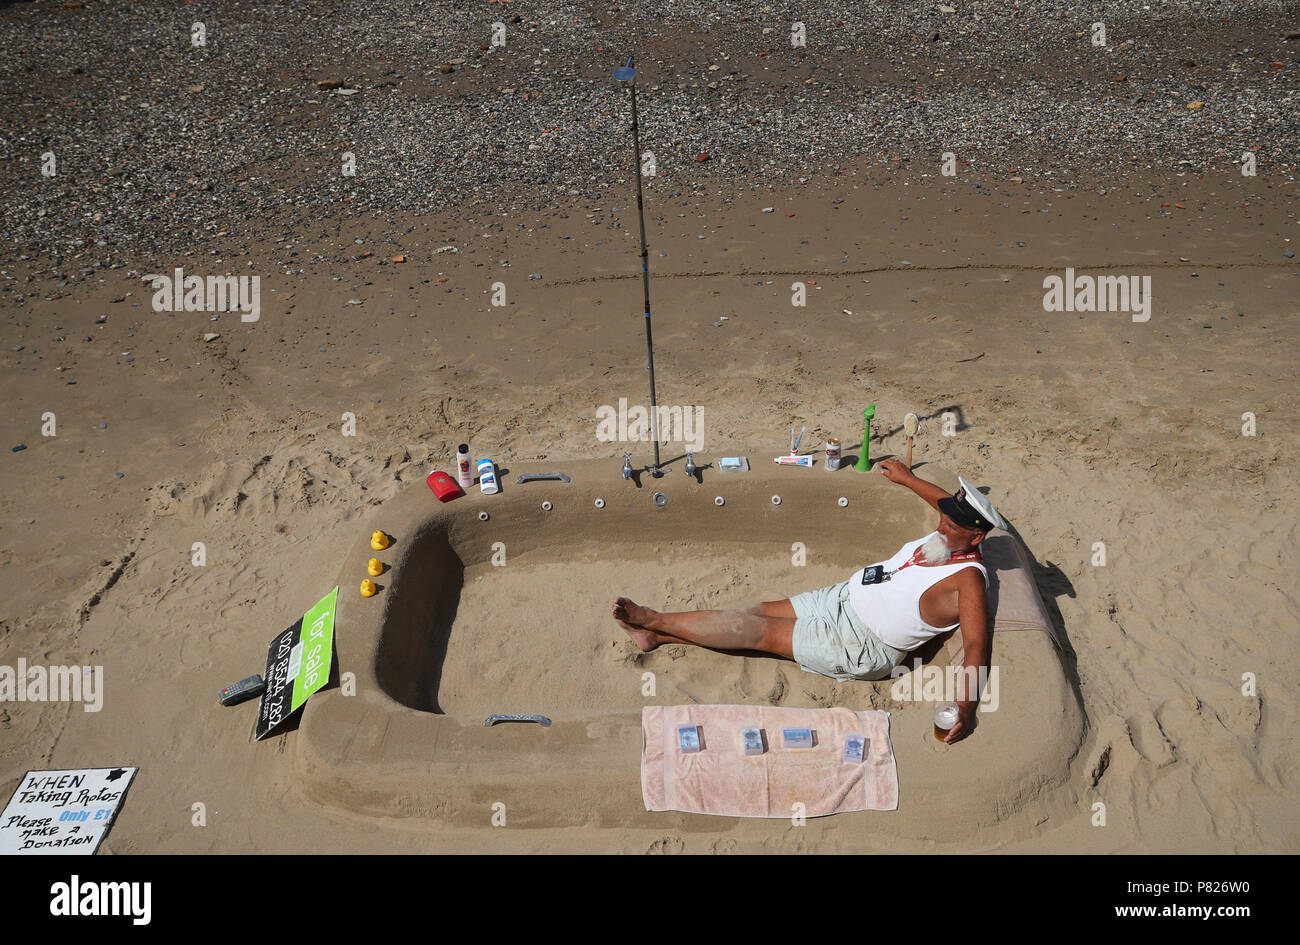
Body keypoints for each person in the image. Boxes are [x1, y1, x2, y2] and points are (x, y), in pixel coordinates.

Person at [611, 459, 1005, 743]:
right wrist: (907, 478)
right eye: (945, 516)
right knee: (752, 613)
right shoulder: (948, 534)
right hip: (842, 598)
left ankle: (653, 620)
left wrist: (966, 706)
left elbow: (975, 645)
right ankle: (656, 637)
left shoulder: (968, 579)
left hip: (860, 643)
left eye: (953, 525)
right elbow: (940, 501)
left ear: (976, 538)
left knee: (755, 631)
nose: (942, 523)